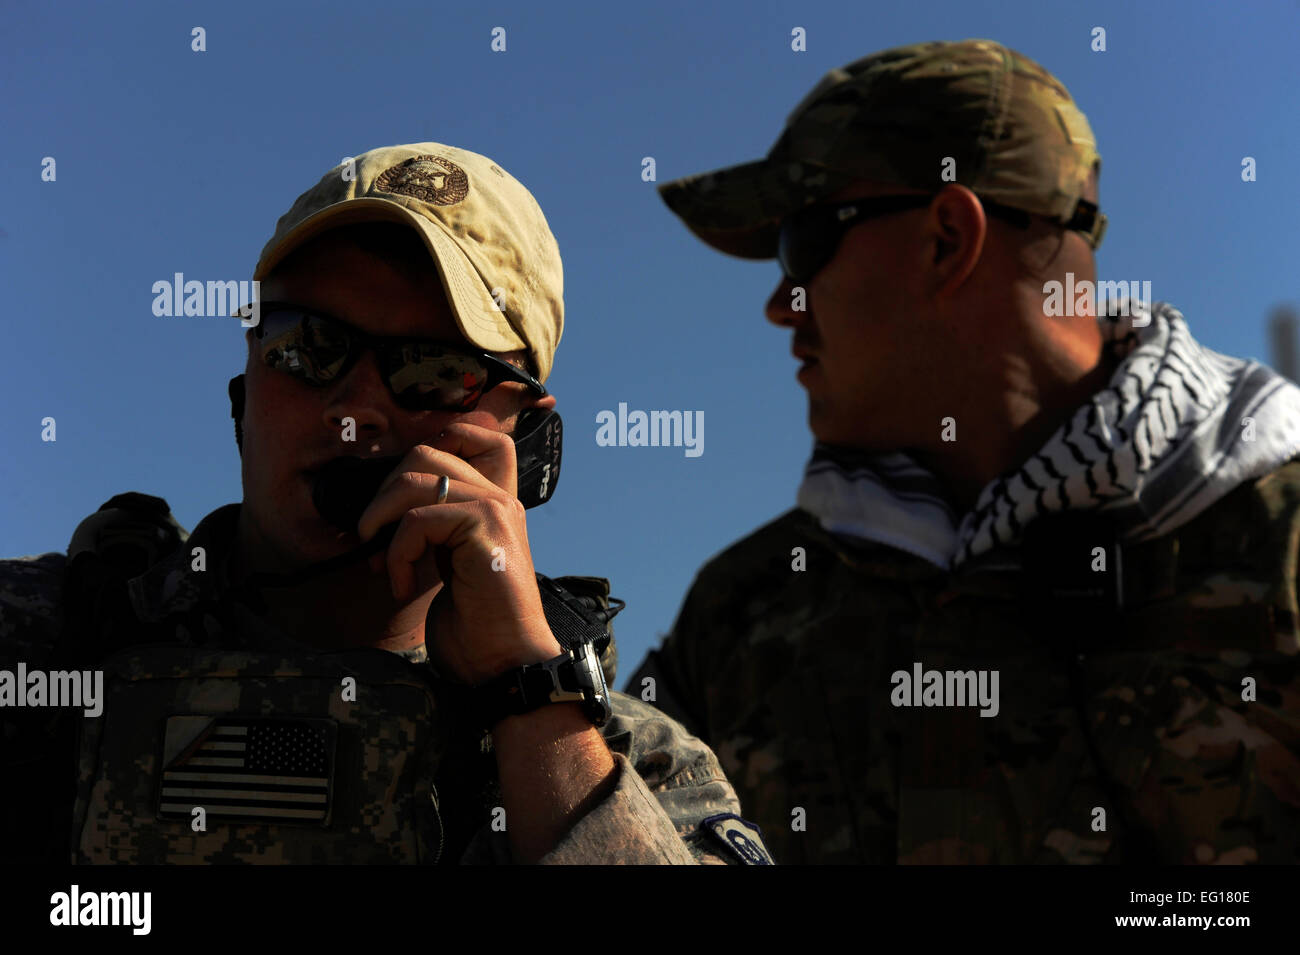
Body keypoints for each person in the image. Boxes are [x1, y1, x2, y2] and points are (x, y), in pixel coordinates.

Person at [0, 142, 772, 865]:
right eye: (307, 346)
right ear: (247, 385)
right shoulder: (38, 643)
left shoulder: (637, 760)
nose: (356, 406)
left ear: (527, 436)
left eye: (433, 370)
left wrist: (527, 692)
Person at [631, 39, 1300, 864]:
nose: (779, 305)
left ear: (947, 238)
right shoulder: (741, 612)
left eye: (803, 243)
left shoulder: (1285, 546)